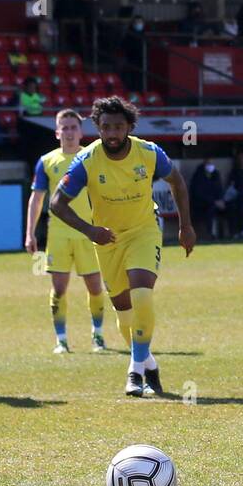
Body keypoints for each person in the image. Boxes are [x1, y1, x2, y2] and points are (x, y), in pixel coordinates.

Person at [49, 96, 196, 397]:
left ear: (130, 126)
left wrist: (185, 225)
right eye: (106, 128)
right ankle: (148, 363)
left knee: (142, 294)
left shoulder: (149, 153)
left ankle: (134, 370)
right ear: (98, 128)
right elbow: (56, 204)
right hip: (108, 240)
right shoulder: (87, 160)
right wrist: (90, 230)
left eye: (118, 127)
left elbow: (177, 182)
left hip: (144, 231)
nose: (112, 133)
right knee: (124, 311)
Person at [25, 109, 108, 354]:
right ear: (57, 132)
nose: (69, 132)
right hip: (58, 235)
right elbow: (37, 198)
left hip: (88, 233)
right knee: (59, 288)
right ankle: (61, 339)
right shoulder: (47, 161)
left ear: (81, 131)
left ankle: (98, 335)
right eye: (65, 127)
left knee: (95, 287)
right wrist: (30, 232)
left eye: (74, 127)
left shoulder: (91, 156)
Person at [189, 158, 226, 240]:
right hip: (200, 204)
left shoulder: (216, 174)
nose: (210, 166)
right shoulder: (198, 176)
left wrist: (220, 200)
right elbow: (198, 194)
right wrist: (214, 202)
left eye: (211, 164)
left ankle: (233, 233)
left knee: (231, 206)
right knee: (211, 209)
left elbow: (219, 190)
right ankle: (210, 234)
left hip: (215, 202)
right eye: (208, 164)